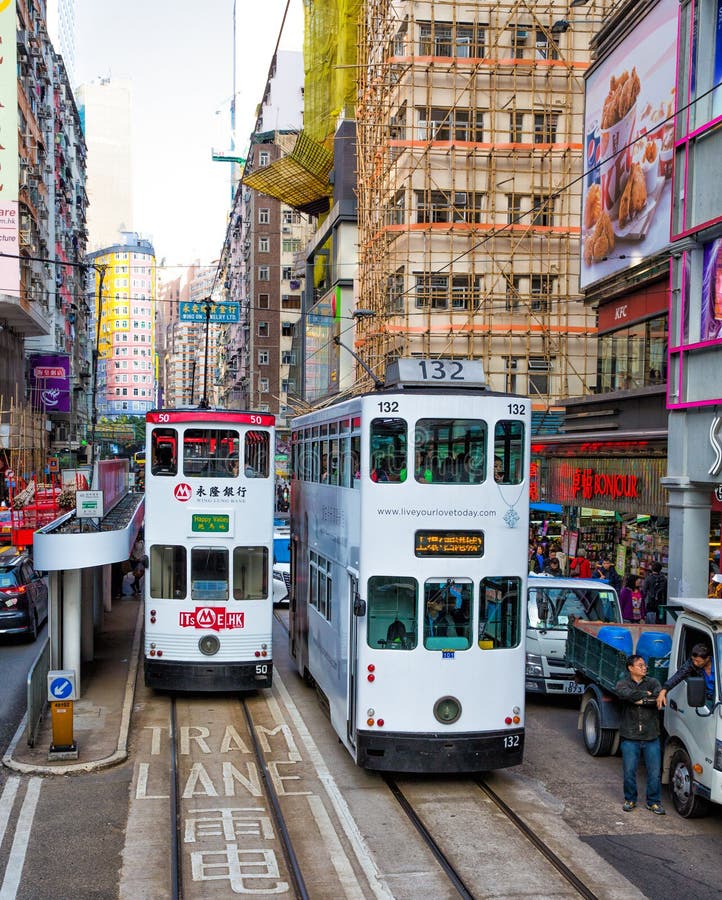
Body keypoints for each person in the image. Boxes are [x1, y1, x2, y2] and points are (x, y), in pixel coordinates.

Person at [615, 654, 665, 815]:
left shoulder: (653, 682)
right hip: (630, 736)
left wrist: (642, 698)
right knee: (629, 771)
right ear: (630, 668)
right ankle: (630, 799)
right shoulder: (623, 683)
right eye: (640, 665)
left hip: (651, 736)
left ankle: (653, 802)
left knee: (654, 773)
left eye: (645, 665)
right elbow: (625, 695)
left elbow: (658, 698)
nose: (645, 668)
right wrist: (646, 695)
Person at [657, 643, 716, 709]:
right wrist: (664, 690)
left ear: (707, 658)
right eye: (693, 660)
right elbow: (679, 675)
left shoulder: (719, 665)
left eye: (698, 661)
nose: (695, 663)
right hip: (705, 699)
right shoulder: (692, 663)